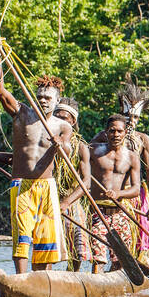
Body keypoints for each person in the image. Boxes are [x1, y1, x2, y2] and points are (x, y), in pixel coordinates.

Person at [0, 67, 73, 274]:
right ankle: (21, 278)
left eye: (48, 98)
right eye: (40, 96)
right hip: (22, 184)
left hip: (47, 186)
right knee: (22, 234)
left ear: (57, 100)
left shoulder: (62, 126)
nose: (43, 100)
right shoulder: (21, 113)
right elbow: (0, 92)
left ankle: (44, 279)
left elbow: (67, 151)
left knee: (46, 237)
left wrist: (59, 143)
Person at [91, 80, 149, 266]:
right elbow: (85, 159)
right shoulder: (105, 136)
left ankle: (133, 268)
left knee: (135, 241)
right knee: (101, 238)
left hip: (134, 196)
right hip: (107, 198)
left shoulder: (143, 140)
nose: (131, 121)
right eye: (128, 116)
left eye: (135, 118)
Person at [88, 114, 143, 273]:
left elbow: (135, 189)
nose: (116, 135)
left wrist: (118, 193)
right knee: (98, 258)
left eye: (119, 131)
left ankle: (114, 287)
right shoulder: (94, 151)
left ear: (125, 132)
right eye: (112, 131)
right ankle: (96, 283)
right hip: (98, 212)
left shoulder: (132, 157)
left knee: (119, 260)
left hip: (120, 213)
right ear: (106, 132)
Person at [53, 98, 92, 273]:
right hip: (49, 198)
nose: (60, 121)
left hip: (71, 200)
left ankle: (73, 275)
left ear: (73, 121)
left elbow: (87, 181)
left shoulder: (81, 147)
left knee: (77, 246)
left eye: (65, 118)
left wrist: (66, 203)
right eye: (57, 116)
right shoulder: (45, 141)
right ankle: (46, 277)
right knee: (46, 245)